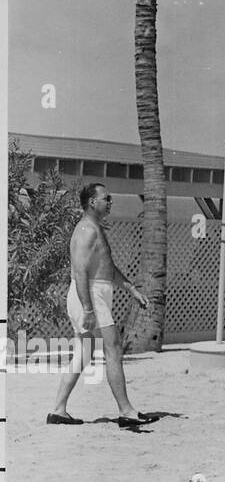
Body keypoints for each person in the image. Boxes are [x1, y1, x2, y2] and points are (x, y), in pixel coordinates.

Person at [48, 183, 157, 428]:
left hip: (94, 294)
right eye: (106, 198)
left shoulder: (95, 228)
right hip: (89, 296)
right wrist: (87, 308)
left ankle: (58, 411)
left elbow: (106, 268)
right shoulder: (86, 230)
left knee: (84, 353)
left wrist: (132, 290)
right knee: (113, 348)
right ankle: (126, 411)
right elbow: (80, 271)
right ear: (91, 203)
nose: (110, 202)